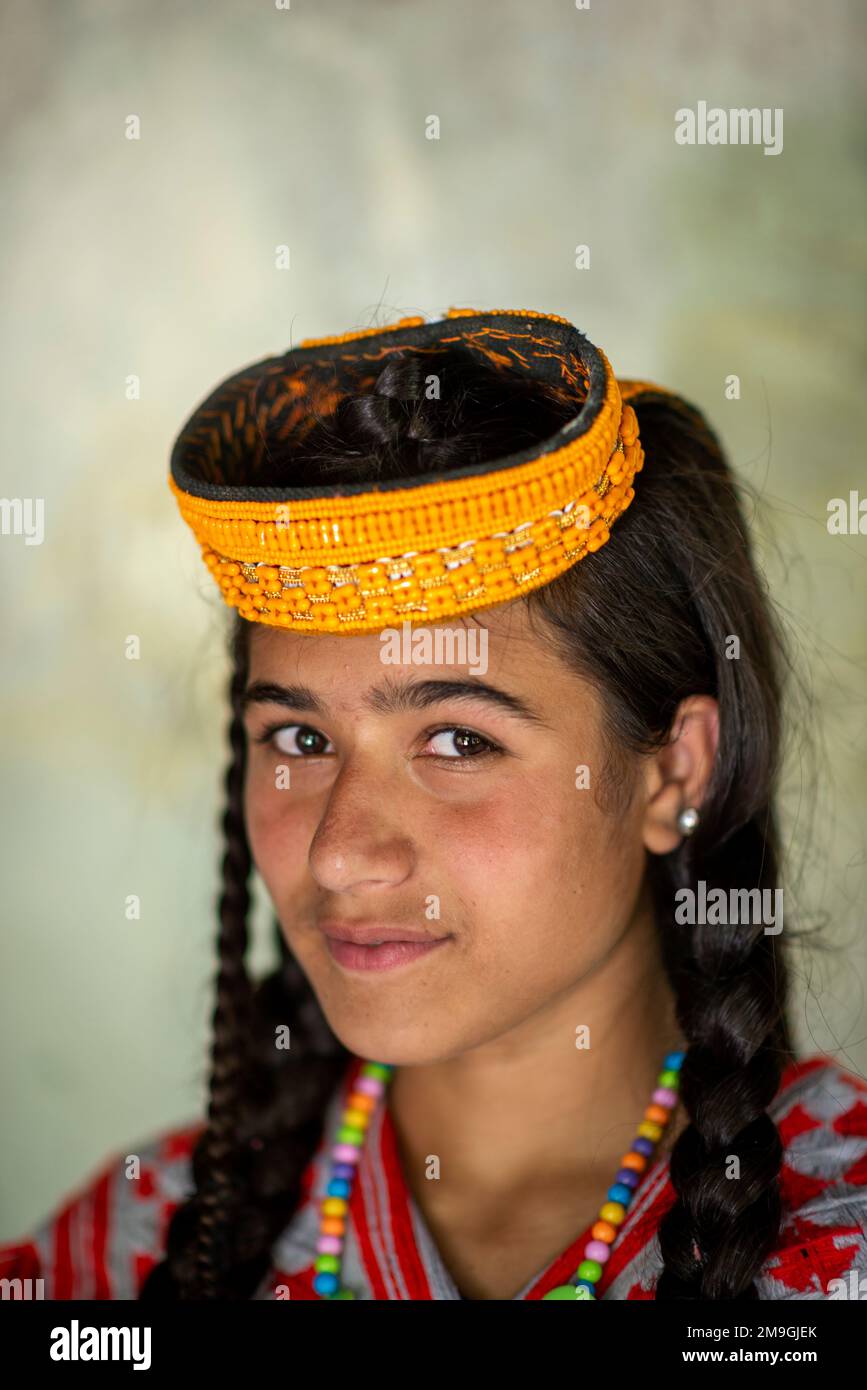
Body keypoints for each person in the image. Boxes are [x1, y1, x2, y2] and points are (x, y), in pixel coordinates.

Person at [3, 307, 865, 1302]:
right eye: (300, 739)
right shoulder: (134, 1253)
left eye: (459, 741)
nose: (339, 853)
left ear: (676, 772)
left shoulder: (834, 1246)